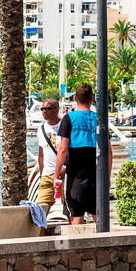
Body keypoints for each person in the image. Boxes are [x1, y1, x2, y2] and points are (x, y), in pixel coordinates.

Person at [53, 83, 98, 225]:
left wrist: (56, 175)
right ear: (91, 99)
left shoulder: (69, 118)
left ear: (74, 99)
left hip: (75, 175)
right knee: (98, 215)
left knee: (76, 215)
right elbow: (108, 150)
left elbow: (63, 149)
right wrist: (107, 177)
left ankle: (78, 246)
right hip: (95, 173)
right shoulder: (98, 119)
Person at [33, 98, 62, 215]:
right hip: (47, 174)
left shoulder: (65, 125)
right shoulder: (41, 129)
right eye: (42, 109)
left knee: (70, 209)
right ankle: (40, 233)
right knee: (41, 210)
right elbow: (41, 155)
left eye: (48, 109)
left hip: (64, 173)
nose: (44, 111)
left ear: (57, 109)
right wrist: (41, 174)